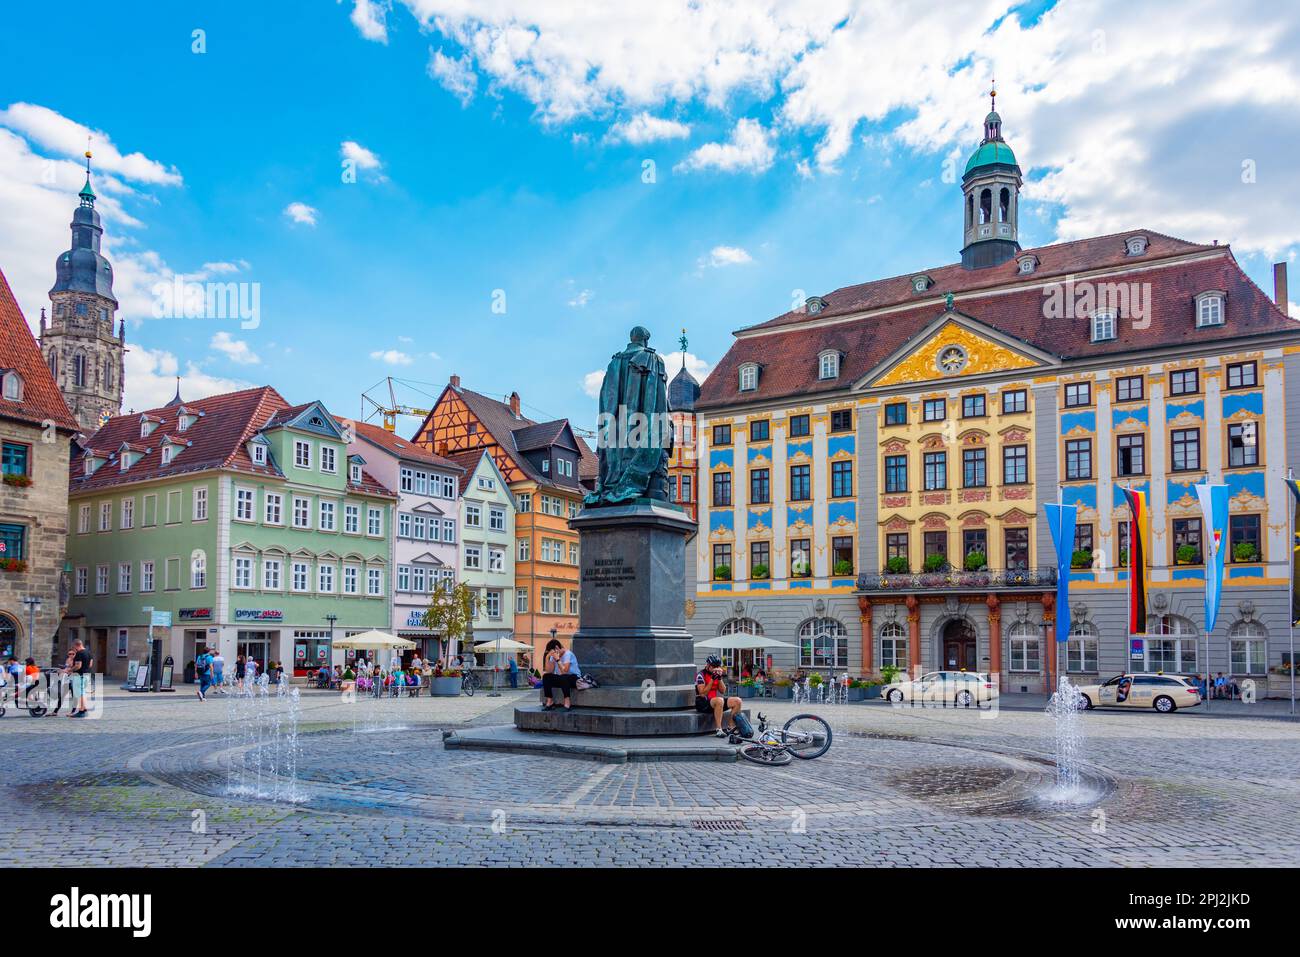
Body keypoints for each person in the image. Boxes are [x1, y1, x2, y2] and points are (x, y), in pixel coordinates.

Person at [696, 655, 743, 737]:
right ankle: (719, 729)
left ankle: (730, 727)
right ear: (708, 665)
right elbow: (702, 693)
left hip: (715, 701)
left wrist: (720, 678)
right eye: (714, 666)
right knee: (719, 700)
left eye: (717, 666)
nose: (716, 668)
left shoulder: (716, 674)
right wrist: (712, 679)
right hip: (702, 703)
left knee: (737, 701)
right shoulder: (701, 675)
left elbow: (723, 691)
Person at [540, 638, 580, 710]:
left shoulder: (568, 654)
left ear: (557, 648)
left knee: (564, 676)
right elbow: (549, 671)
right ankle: (550, 701)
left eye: (552, 652)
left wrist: (558, 659)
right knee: (546, 676)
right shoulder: (553, 656)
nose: (552, 654)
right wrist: (547, 657)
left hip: (574, 678)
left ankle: (567, 702)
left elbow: (565, 671)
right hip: (562, 679)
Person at [66, 638, 93, 717]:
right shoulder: (89, 653)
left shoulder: (79, 653)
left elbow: (78, 666)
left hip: (80, 675)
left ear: (75, 645)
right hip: (87, 675)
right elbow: (90, 665)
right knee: (83, 693)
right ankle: (84, 709)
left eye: (73, 647)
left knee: (80, 694)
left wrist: (70, 670)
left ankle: (81, 711)